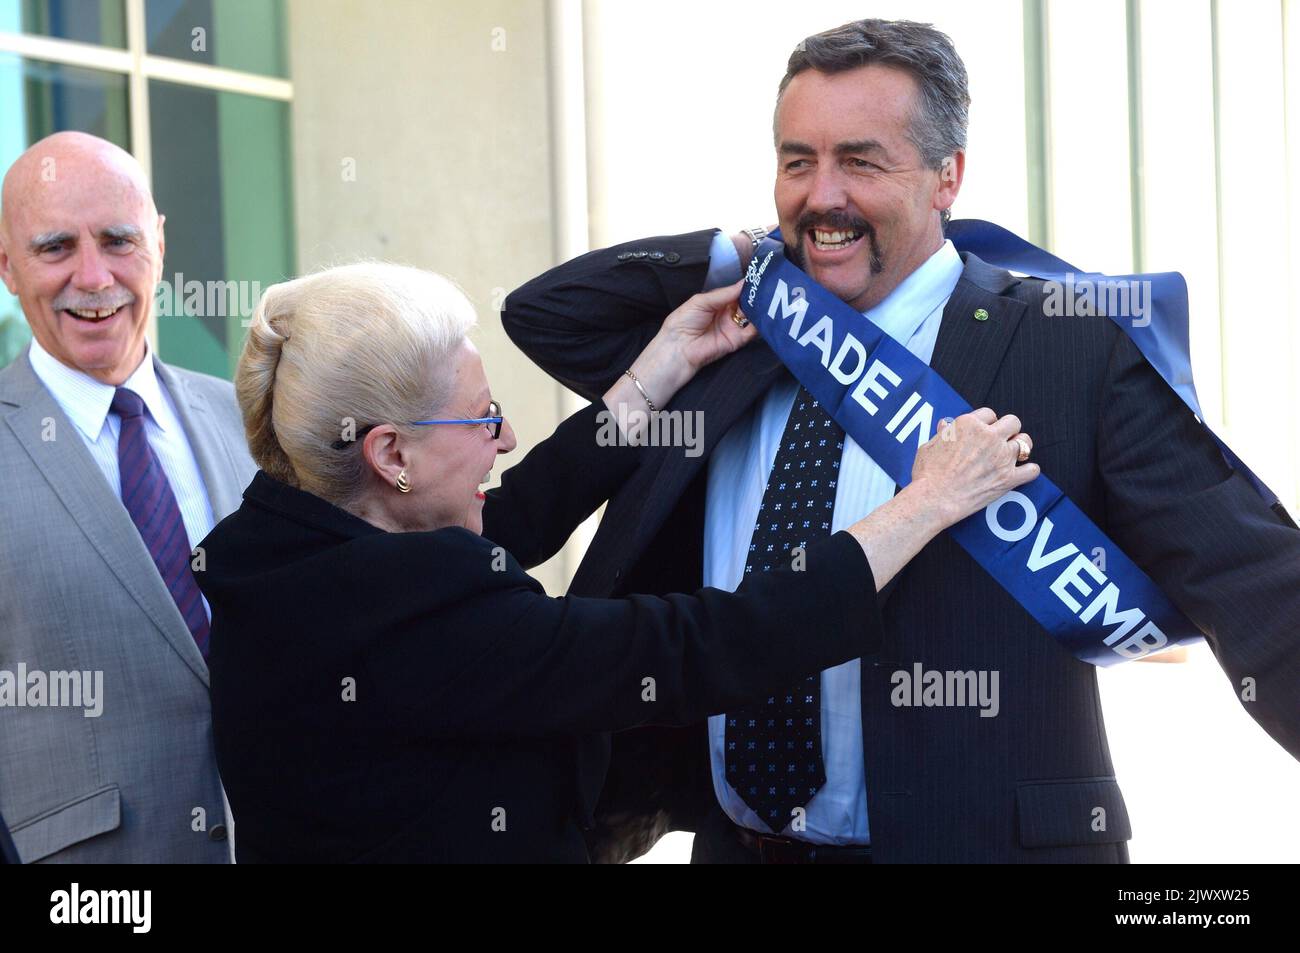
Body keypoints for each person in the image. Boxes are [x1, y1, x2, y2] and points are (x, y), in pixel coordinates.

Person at [502, 18, 1300, 863]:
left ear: (947, 176)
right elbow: (545, 314)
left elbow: (1249, 578)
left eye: (861, 160)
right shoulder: (738, 333)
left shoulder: (1067, 347)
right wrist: (737, 253)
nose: (822, 195)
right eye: (796, 161)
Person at [194, 260, 1036, 862]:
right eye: (483, 418)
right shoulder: (420, 619)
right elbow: (697, 643)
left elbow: (509, 518)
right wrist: (925, 501)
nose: (506, 438)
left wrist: (655, 374)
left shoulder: (275, 557)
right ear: (390, 454)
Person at [0, 132, 255, 862]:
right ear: (7, 268)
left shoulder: (251, 424)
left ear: (160, 244)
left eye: (118, 240)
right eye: (55, 248)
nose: (93, 275)